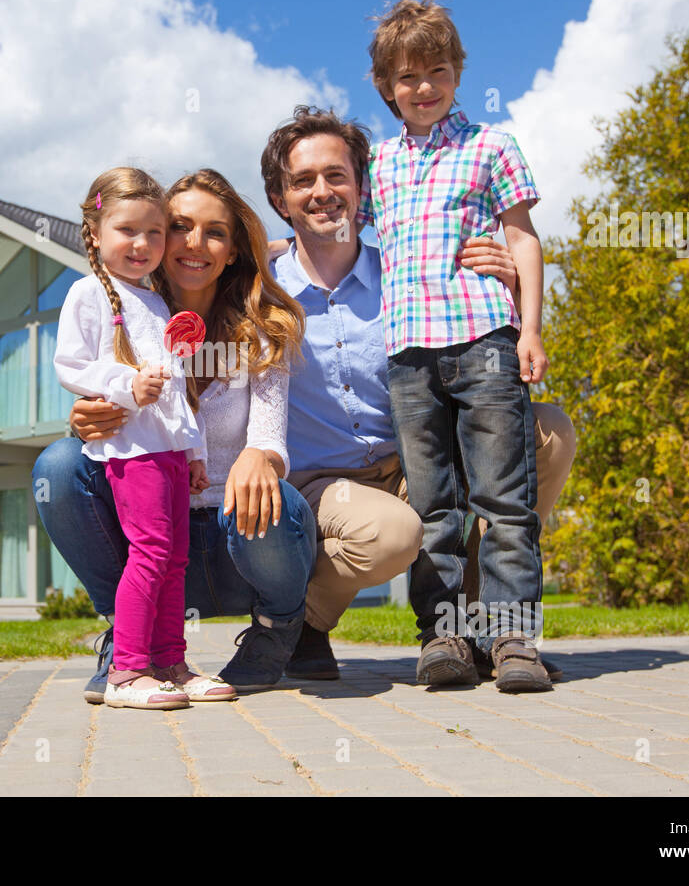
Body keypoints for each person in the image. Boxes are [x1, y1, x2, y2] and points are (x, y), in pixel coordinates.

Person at [260, 105, 576, 687]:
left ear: (364, 190)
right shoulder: (264, 291)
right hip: (323, 484)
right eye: (302, 181)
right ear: (281, 199)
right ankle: (301, 621)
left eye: (337, 176)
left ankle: (490, 632)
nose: (323, 192)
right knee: (394, 531)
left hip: (411, 461)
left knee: (549, 430)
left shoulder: (409, 279)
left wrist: (504, 271)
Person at [34, 169, 317, 700]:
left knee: (273, 494)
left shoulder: (254, 326)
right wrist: (93, 412)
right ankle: (128, 651)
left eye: (215, 232)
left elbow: (266, 434)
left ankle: (269, 635)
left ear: (233, 249)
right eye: (179, 226)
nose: (191, 243)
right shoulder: (121, 303)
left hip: (234, 534)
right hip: (152, 496)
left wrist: (250, 453)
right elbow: (84, 367)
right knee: (59, 465)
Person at [359, 0, 554, 691]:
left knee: (504, 498)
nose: (424, 88)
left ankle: (512, 641)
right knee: (432, 506)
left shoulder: (491, 147)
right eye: (408, 77)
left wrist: (530, 327)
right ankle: (444, 637)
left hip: (485, 341)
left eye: (437, 71)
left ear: (458, 73)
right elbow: (341, 241)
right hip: (409, 354)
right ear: (387, 87)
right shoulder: (376, 165)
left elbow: (523, 238)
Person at [53, 166, 232, 709]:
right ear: (96, 231)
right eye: (127, 230)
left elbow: (177, 387)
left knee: (173, 557)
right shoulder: (88, 295)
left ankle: (170, 661)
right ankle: (127, 672)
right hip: (132, 450)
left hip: (169, 451)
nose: (143, 244)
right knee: (150, 552)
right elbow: (71, 365)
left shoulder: (156, 303)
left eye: (155, 233)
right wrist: (127, 386)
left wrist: (194, 450)